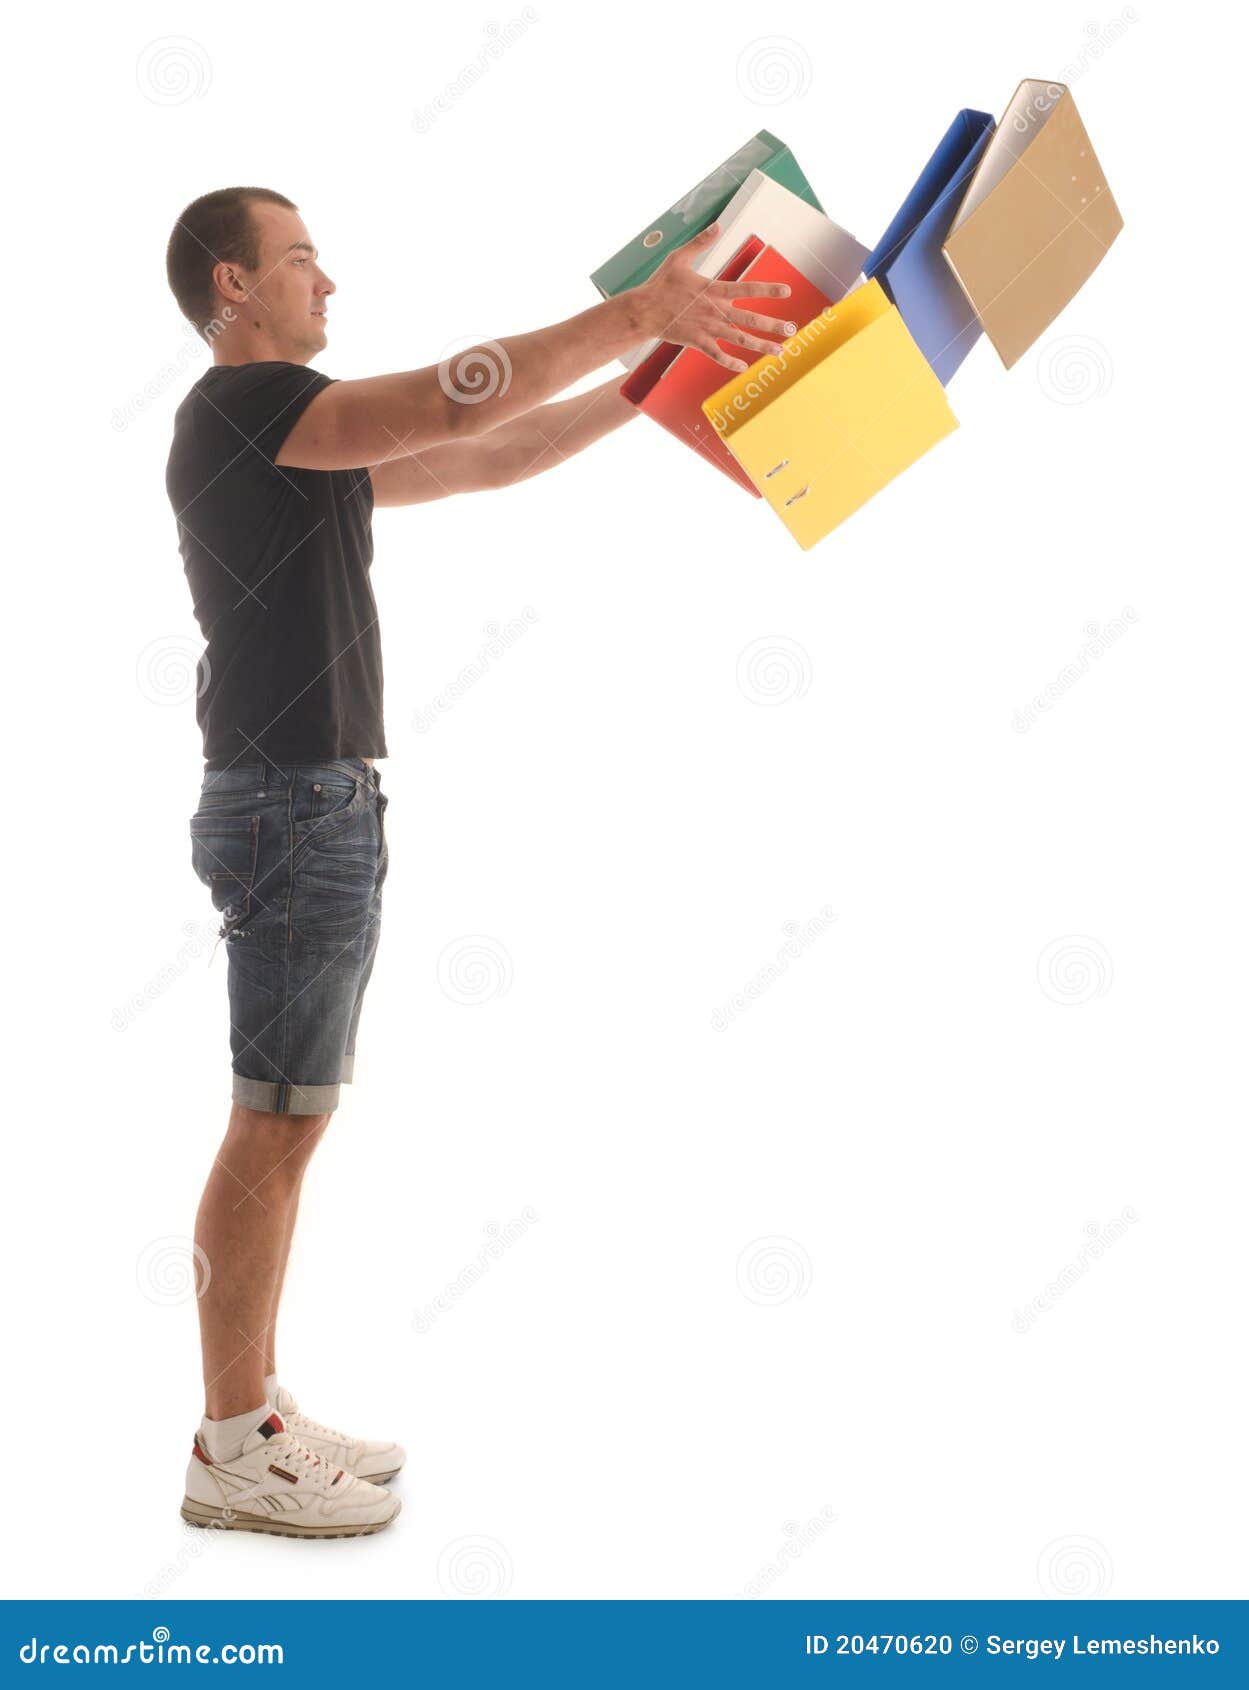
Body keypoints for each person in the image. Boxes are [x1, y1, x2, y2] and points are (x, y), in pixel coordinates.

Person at [164, 185, 795, 1538]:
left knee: (291, 1116)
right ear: (233, 285)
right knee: (274, 1120)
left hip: (313, 799)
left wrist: (651, 373)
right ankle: (229, 1445)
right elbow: (457, 400)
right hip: (289, 803)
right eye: (300, 260)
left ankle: (249, 1413)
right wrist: (642, 310)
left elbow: (491, 454)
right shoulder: (244, 411)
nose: (328, 282)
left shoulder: (300, 446)